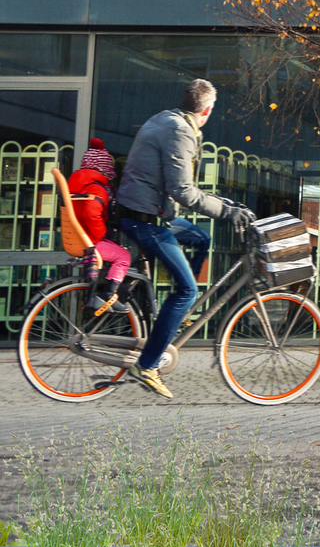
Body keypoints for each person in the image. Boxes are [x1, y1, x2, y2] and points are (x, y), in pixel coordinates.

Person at [115, 79, 255, 399]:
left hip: (148, 212)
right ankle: (147, 365)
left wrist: (230, 205)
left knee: (200, 238)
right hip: (144, 220)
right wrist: (227, 213)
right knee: (188, 289)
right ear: (206, 110)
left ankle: (176, 313)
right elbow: (183, 192)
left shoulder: (166, 119)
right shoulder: (180, 131)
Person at [68, 137, 131, 311]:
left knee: (114, 253)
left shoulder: (77, 186)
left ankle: (113, 292)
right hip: (91, 241)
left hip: (80, 240)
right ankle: (108, 295)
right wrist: (99, 235)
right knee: (123, 257)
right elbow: (91, 214)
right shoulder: (97, 188)